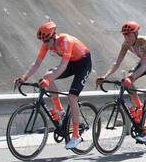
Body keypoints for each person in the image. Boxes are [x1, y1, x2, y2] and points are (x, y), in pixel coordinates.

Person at [18, 21, 92, 150]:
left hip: (83, 63)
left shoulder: (66, 41)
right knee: (47, 76)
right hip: (71, 63)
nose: (45, 44)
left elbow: (63, 66)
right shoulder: (46, 44)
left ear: (53, 36)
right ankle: (60, 111)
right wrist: (24, 77)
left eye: (46, 41)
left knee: (72, 97)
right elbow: (36, 63)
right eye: (43, 41)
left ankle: (76, 135)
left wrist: (47, 81)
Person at [98, 21, 146, 143]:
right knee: (127, 79)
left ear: (136, 34)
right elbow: (117, 62)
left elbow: (143, 67)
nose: (126, 38)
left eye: (129, 35)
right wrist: (105, 76)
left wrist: (132, 78)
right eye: (124, 35)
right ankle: (139, 108)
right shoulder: (126, 44)